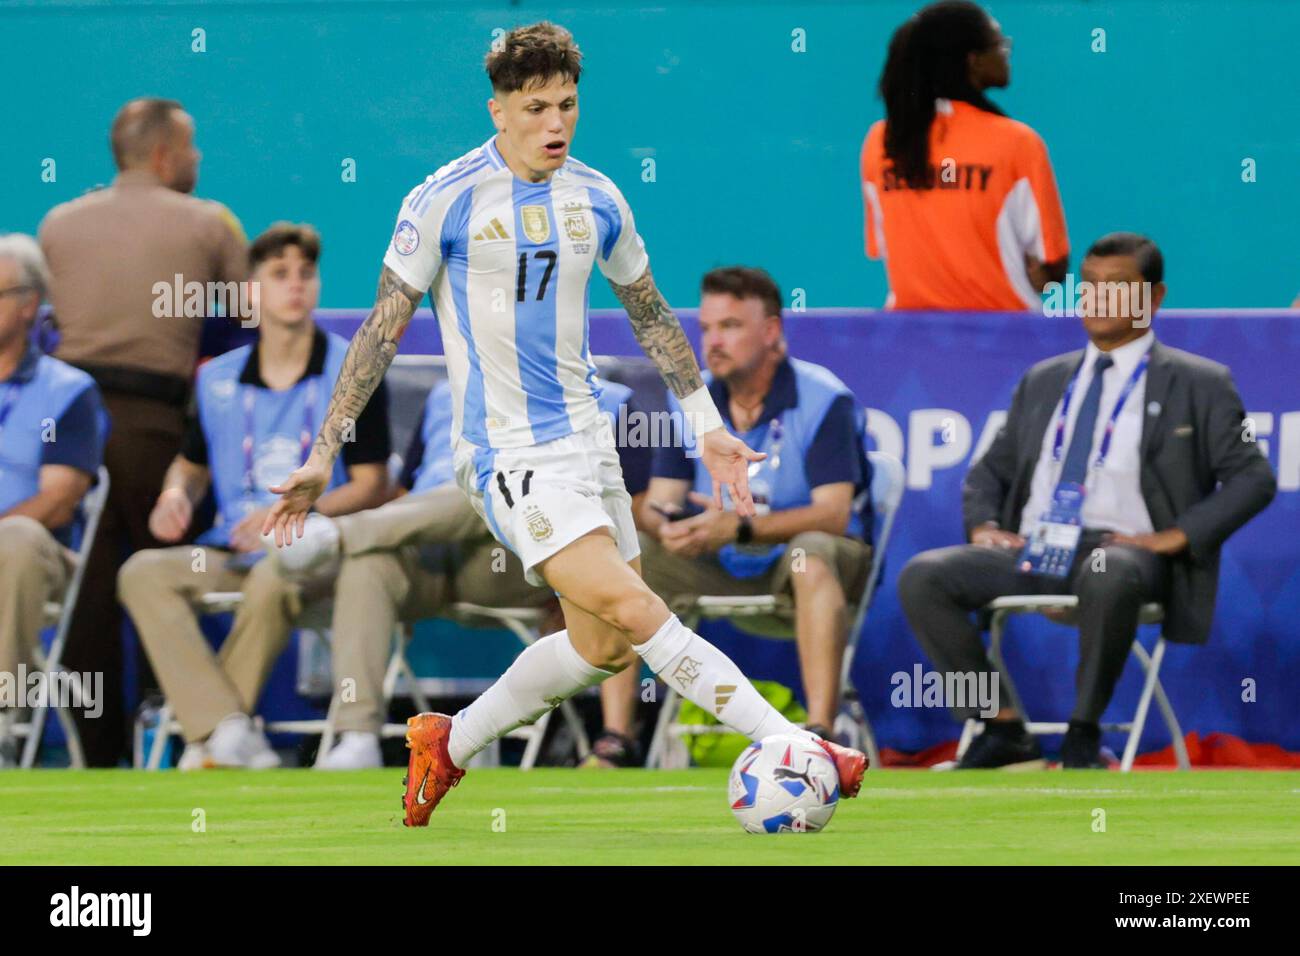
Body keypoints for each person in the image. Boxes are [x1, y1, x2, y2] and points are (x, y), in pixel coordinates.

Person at [262, 21, 867, 824]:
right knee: (635, 605)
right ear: (498, 111)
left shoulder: (599, 198)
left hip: (590, 447)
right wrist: (322, 452)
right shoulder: (442, 200)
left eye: (568, 105)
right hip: (507, 456)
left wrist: (707, 425)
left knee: (602, 648)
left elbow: (651, 316)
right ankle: (797, 744)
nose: (556, 124)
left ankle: (448, 740)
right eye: (537, 107)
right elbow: (380, 332)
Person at [898, 233, 1277, 768]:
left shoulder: (1200, 383)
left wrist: (1175, 536)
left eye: (1117, 287)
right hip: (1036, 548)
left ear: (1154, 298)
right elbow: (989, 472)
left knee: (1108, 569)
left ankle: (1084, 732)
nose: (1097, 299)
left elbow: (1253, 477)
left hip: (1125, 554)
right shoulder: (1044, 380)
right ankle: (1001, 725)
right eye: (1090, 286)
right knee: (925, 575)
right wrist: (983, 525)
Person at [118, 224, 390, 769]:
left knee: (277, 570)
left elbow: (371, 485)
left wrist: (292, 512)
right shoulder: (216, 379)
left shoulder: (355, 372)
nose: (296, 286)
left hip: (313, 554)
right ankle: (228, 729)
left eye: (306, 274)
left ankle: (213, 740)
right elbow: (190, 468)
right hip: (230, 549)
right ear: (251, 293)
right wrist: (175, 494)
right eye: (279, 275)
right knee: (142, 573)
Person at [283, 375, 651, 769]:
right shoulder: (445, 393)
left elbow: (631, 512)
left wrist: (580, 578)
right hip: (429, 552)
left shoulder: (609, 401)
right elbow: (407, 493)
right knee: (370, 559)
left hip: (513, 561)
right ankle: (358, 737)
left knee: (487, 488)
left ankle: (336, 534)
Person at [39, 98, 249, 765]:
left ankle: (97, 759)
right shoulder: (208, 222)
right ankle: (184, 740)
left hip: (69, 428)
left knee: (86, 601)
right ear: (163, 154)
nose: (198, 159)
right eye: (191, 147)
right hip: (158, 428)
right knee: (172, 580)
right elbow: (251, 326)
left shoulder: (57, 224)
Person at [634, 266, 873, 740]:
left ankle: (822, 733)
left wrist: (740, 528)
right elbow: (658, 503)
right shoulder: (690, 404)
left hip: (799, 565)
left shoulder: (824, 399)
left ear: (771, 331)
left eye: (730, 326)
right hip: (715, 563)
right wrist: (669, 527)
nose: (713, 342)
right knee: (627, 554)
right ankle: (617, 735)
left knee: (812, 551)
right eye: (705, 328)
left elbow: (835, 513)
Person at [860, 1, 1069, 310]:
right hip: (1006, 341)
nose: (1007, 50)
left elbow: (883, 249)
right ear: (974, 60)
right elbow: (1053, 264)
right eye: (999, 42)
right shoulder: (1018, 142)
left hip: (909, 343)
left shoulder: (881, 141)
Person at [0, 236, 107, 762]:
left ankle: (0, 718)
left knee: (15, 538)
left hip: (40, 556)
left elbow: (59, 502)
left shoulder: (68, 391)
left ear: (28, 305)